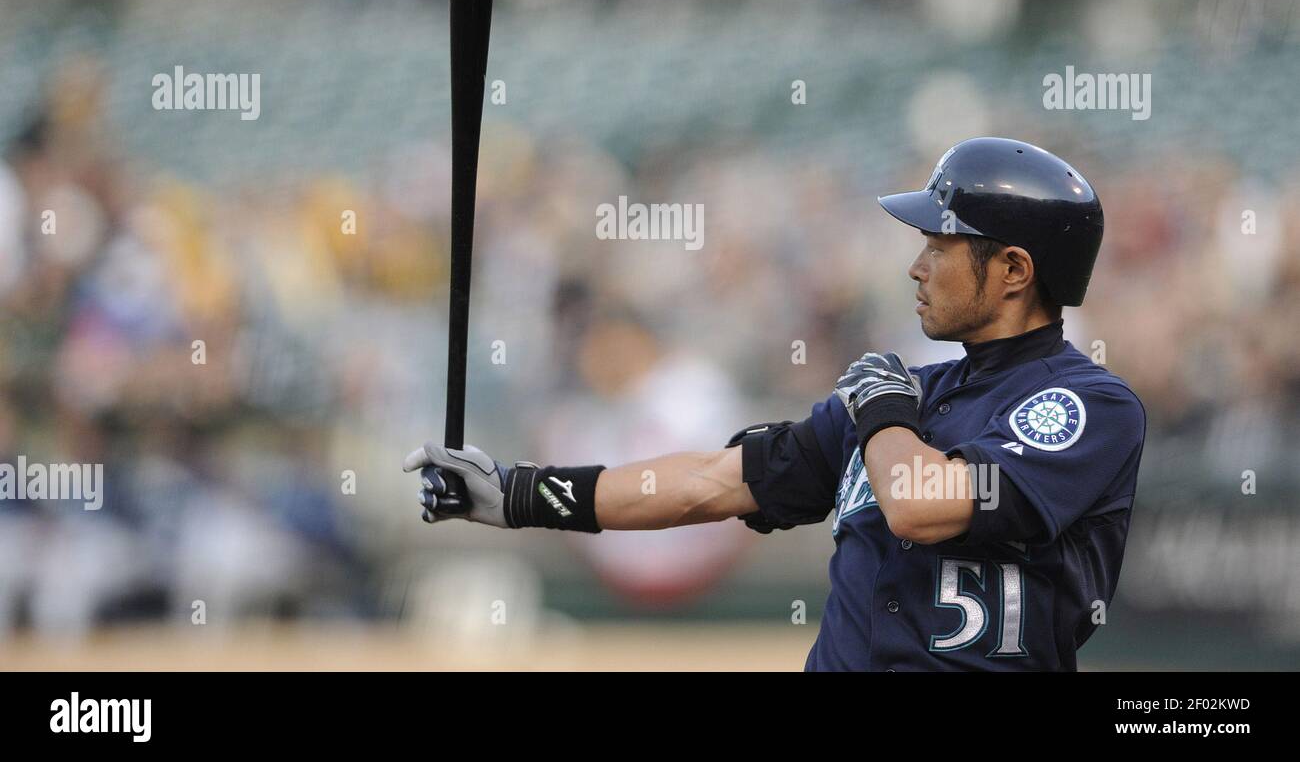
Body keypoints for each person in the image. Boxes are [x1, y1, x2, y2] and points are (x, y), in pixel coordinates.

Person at [404, 137, 1147, 671]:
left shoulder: (1088, 405)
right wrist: (518, 493)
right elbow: (709, 482)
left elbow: (922, 502)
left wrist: (884, 411)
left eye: (941, 245)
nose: (916, 266)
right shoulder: (909, 394)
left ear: (1014, 269)